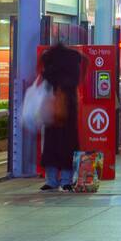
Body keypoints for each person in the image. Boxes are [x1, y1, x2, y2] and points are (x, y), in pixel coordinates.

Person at [38, 42, 82, 191]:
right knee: (68, 145)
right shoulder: (73, 65)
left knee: (51, 145)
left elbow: (44, 78)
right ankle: (66, 180)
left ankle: (51, 180)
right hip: (69, 111)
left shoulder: (50, 68)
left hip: (52, 111)